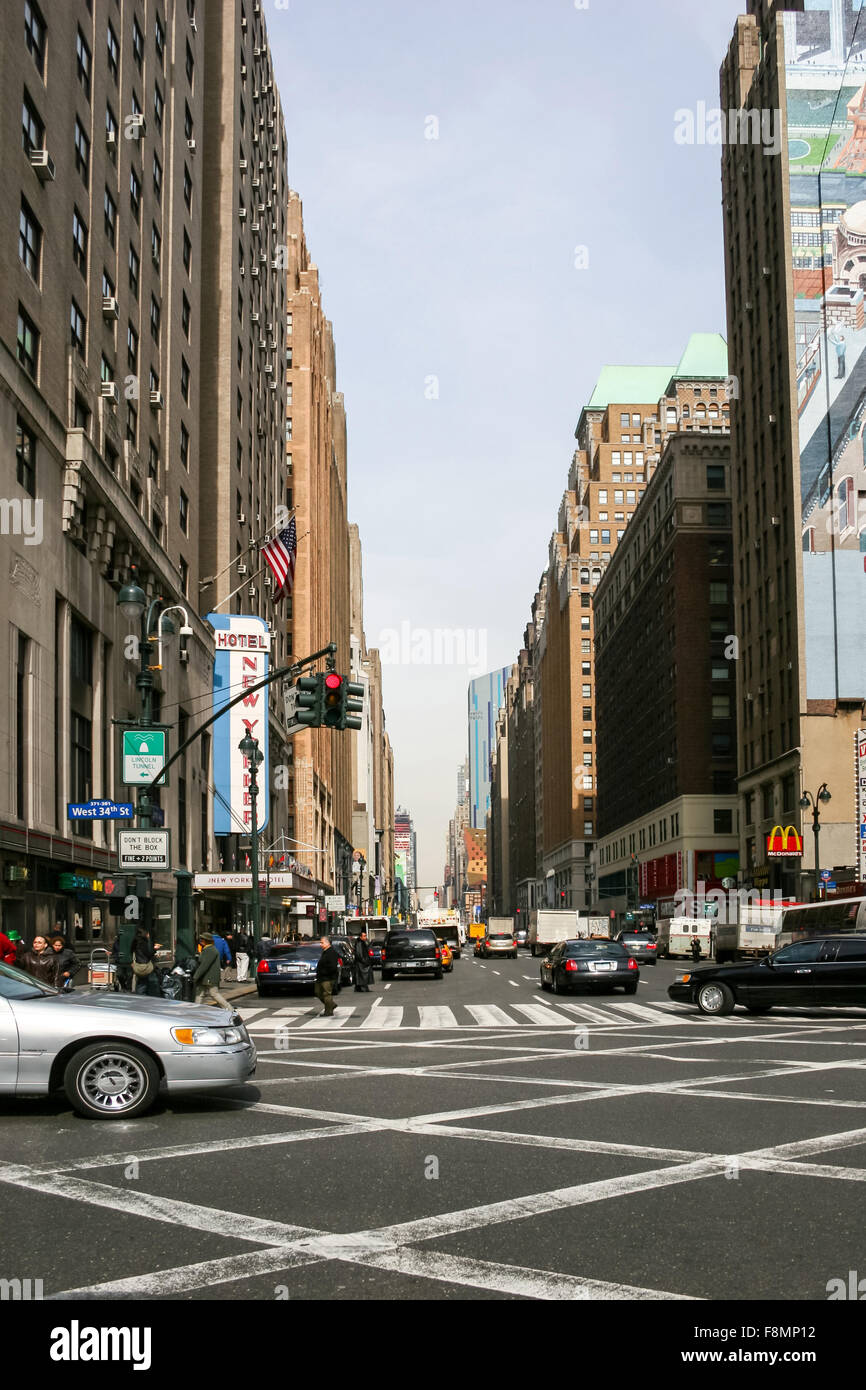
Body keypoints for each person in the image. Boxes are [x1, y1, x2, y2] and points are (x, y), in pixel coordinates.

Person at [193, 932, 232, 1009]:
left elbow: (204, 965)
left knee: (214, 994)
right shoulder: (207, 949)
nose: (200, 940)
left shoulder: (210, 950)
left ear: (207, 940)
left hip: (209, 977)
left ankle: (229, 1009)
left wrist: (195, 976)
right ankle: (196, 1010)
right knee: (199, 994)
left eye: (202, 939)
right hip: (205, 977)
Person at [131, 924, 162, 997]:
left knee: (141, 982)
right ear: (144, 934)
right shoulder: (143, 943)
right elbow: (148, 954)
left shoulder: (135, 943)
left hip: (138, 965)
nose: (148, 935)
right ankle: (142, 996)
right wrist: (155, 949)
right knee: (144, 983)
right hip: (145, 965)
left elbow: (132, 952)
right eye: (147, 933)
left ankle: (140, 995)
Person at [314, 935, 339, 1017]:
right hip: (321, 977)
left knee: (326, 994)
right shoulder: (325, 952)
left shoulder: (331, 952)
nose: (320, 944)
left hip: (328, 978)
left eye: (322, 942)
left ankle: (328, 1011)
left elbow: (332, 967)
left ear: (327, 943)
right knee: (318, 992)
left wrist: (325, 973)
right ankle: (331, 1004)